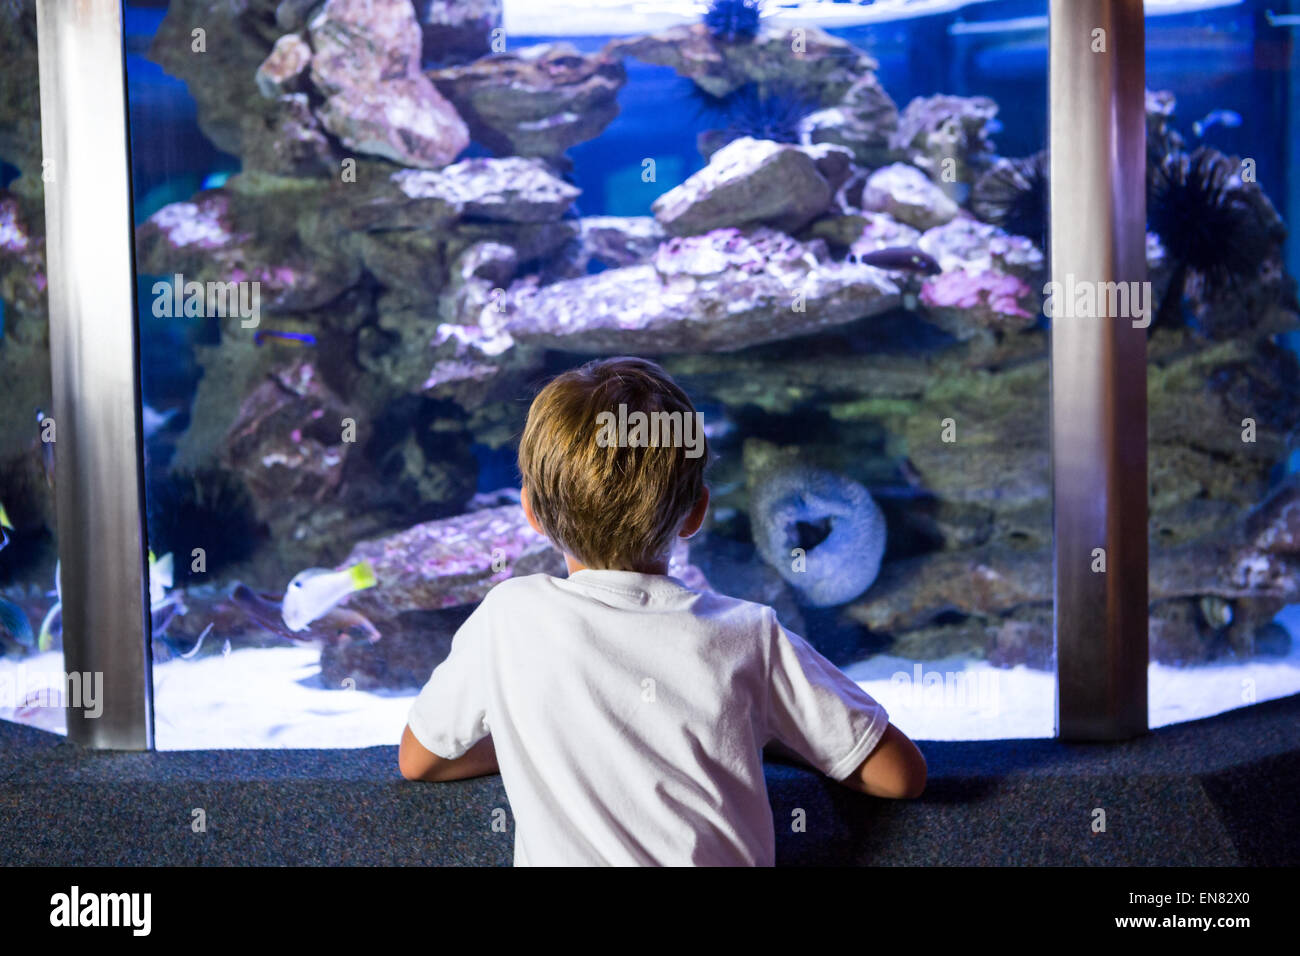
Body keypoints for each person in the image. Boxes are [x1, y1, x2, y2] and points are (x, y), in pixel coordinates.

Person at [399, 356, 926, 865]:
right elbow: (901, 774)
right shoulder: (747, 633)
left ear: (532, 511)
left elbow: (419, 759)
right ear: (697, 511)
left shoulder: (507, 618)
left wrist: (534, 737)